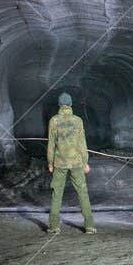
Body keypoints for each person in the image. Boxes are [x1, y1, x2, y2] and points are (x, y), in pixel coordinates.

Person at [46, 92, 96, 234]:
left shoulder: (54, 121)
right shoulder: (78, 121)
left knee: (57, 193)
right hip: (76, 163)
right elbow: (82, 144)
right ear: (71, 104)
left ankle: (54, 226)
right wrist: (85, 161)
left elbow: (51, 145)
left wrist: (50, 163)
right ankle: (89, 226)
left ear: (59, 105)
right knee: (83, 193)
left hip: (60, 163)